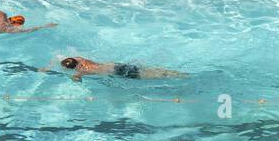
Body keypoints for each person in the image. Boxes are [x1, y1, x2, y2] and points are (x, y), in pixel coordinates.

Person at [44, 55, 187, 81]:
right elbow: (60, 56)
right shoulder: (80, 58)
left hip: (117, 72)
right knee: (150, 70)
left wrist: (75, 77)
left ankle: (179, 76)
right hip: (115, 65)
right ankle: (178, 73)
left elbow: (77, 78)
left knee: (149, 76)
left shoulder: (81, 70)